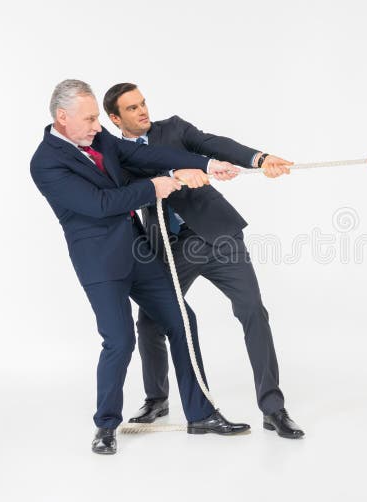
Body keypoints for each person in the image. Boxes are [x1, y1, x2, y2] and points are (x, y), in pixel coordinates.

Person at [30, 79, 251, 455]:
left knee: (182, 320)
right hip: (101, 263)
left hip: (139, 251)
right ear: (62, 117)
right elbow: (100, 203)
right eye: (89, 119)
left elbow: (145, 157)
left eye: (98, 117)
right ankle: (105, 426)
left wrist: (205, 164)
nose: (98, 126)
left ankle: (201, 415)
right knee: (120, 341)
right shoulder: (45, 163)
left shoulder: (98, 139)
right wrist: (157, 187)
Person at [102, 82, 305, 439]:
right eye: (132, 109)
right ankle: (157, 399)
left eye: (143, 103)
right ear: (115, 118)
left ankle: (273, 408)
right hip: (172, 247)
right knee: (150, 321)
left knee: (252, 311)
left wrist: (260, 159)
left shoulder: (175, 129)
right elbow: (132, 185)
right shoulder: (118, 154)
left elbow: (215, 145)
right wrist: (171, 176)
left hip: (219, 235)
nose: (143, 111)